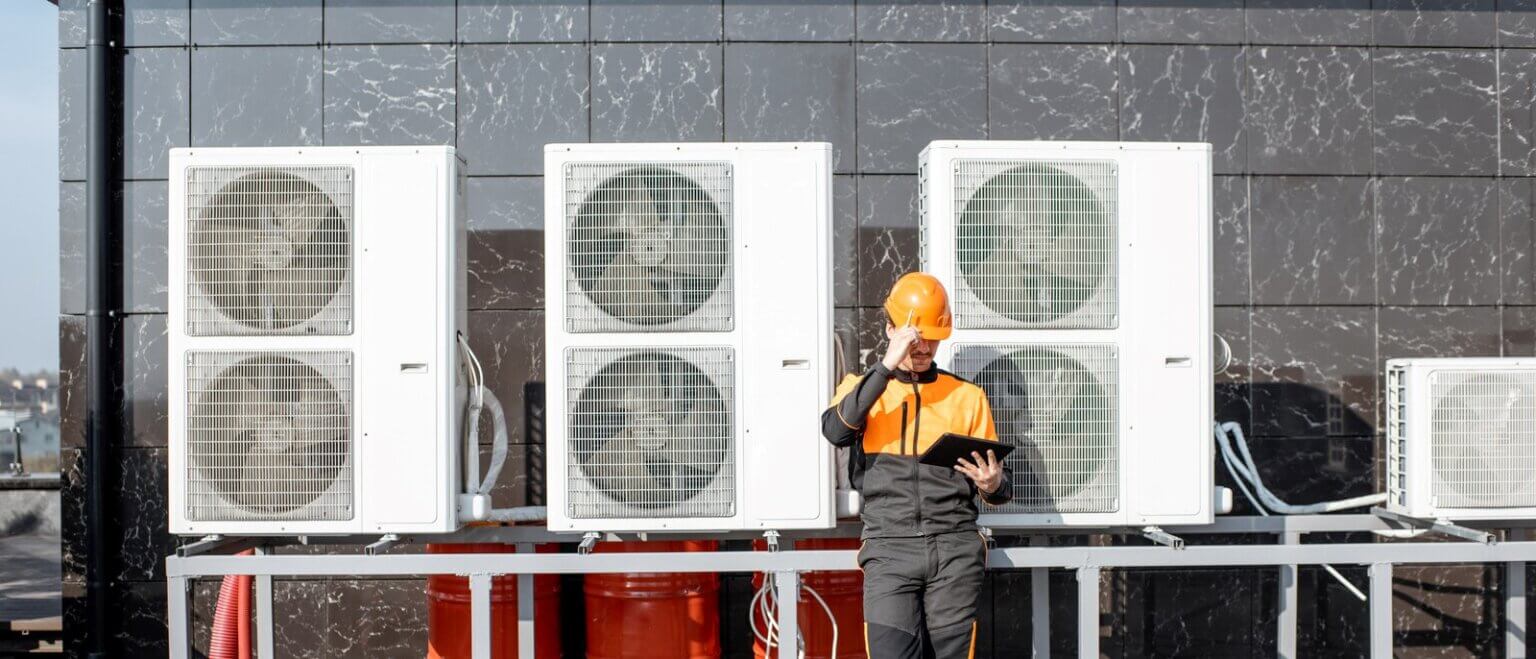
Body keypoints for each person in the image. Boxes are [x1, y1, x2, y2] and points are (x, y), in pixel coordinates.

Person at [821, 272, 1012, 659]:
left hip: (954, 548)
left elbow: (997, 491)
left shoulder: (967, 397)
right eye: (914, 336)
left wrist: (992, 484)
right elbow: (835, 430)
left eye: (931, 337)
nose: (923, 346)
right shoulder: (863, 388)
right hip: (889, 548)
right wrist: (888, 364)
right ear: (891, 329)